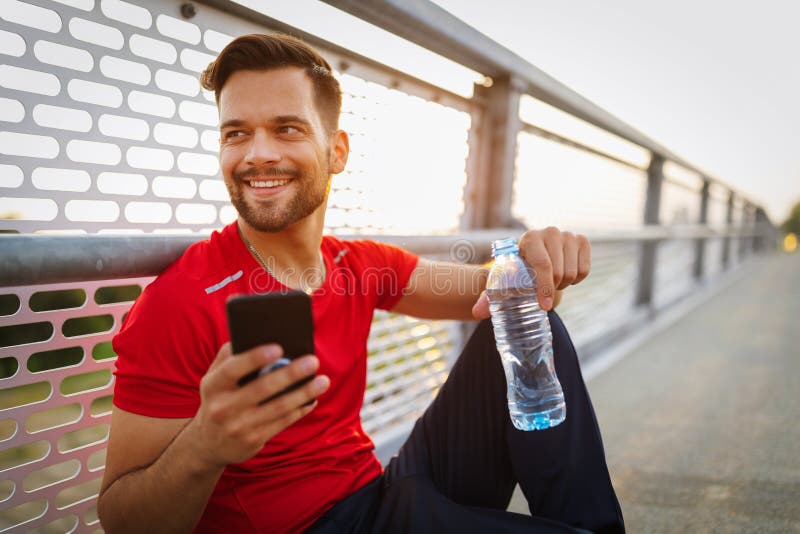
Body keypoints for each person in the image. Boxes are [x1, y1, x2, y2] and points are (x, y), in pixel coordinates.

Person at [97, 33, 624, 533]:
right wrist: (205, 445)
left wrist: (535, 259)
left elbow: (498, 290)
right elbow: (124, 521)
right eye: (236, 133)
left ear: (337, 152)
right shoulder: (179, 301)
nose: (257, 153)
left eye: (287, 128)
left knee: (526, 313)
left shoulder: (358, 265)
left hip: (379, 497)